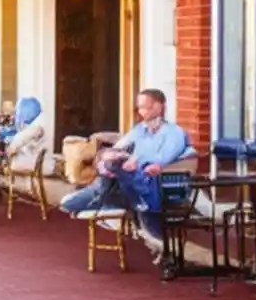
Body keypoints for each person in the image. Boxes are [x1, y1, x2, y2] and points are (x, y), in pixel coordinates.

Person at [58, 89, 190, 256]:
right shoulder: (140, 130)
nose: (141, 112)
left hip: (151, 187)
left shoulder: (174, 133)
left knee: (87, 195)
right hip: (126, 184)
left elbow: (164, 159)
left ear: (159, 107)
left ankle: (106, 201)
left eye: (145, 107)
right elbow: (118, 147)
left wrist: (135, 162)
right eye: (139, 108)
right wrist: (110, 155)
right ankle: (107, 199)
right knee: (70, 201)